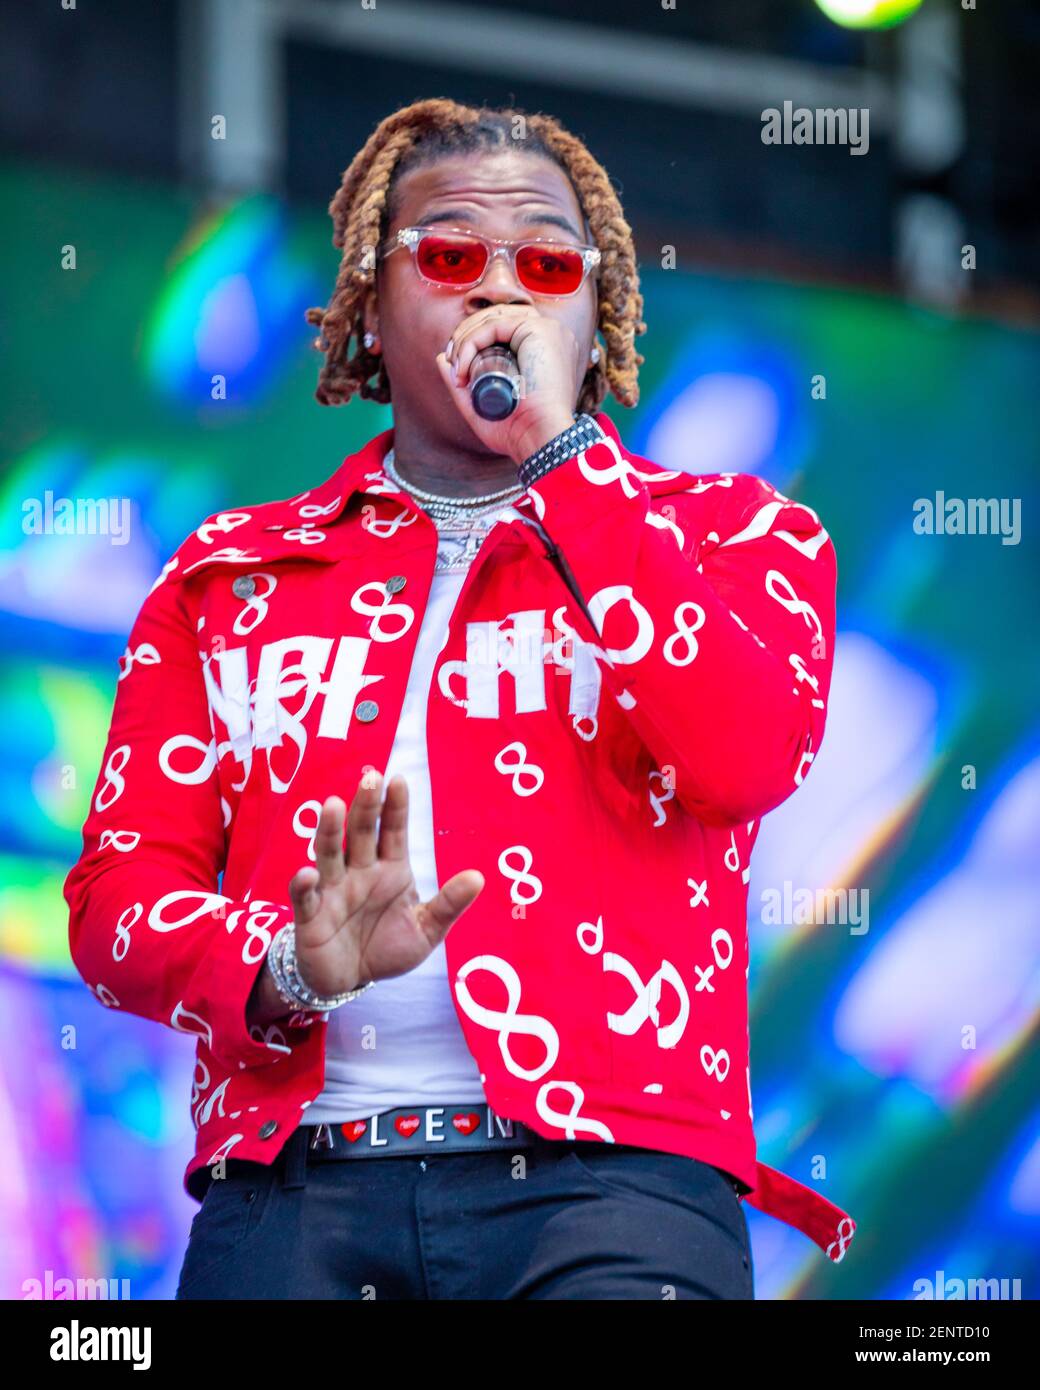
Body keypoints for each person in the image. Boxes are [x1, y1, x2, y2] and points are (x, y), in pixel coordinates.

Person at [64, 98, 854, 1300]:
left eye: (544, 264)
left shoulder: (734, 535)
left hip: (617, 1187)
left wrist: (562, 462)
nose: (500, 294)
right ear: (372, 313)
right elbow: (120, 896)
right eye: (447, 255)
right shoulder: (231, 576)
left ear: (597, 323)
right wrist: (283, 964)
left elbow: (742, 755)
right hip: (295, 1188)